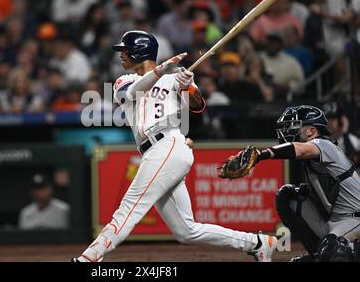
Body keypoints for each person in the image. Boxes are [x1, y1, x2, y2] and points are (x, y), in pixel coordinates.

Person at [72, 30, 277, 262]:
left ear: (140, 51)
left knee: (129, 208)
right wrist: (161, 71)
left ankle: (89, 258)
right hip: (156, 151)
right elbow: (131, 94)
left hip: (167, 144)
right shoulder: (125, 80)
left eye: (125, 50)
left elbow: (199, 106)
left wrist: (188, 86)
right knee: (186, 231)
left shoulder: (175, 77)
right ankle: (258, 243)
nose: (121, 55)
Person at [228, 105, 360, 261]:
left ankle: (343, 251)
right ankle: (318, 254)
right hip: (333, 220)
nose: (288, 131)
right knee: (287, 196)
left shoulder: (324, 145)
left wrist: (261, 154)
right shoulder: (313, 153)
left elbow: (300, 149)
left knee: (332, 251)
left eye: (295, 126)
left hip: (354, 219)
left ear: (311, 131)